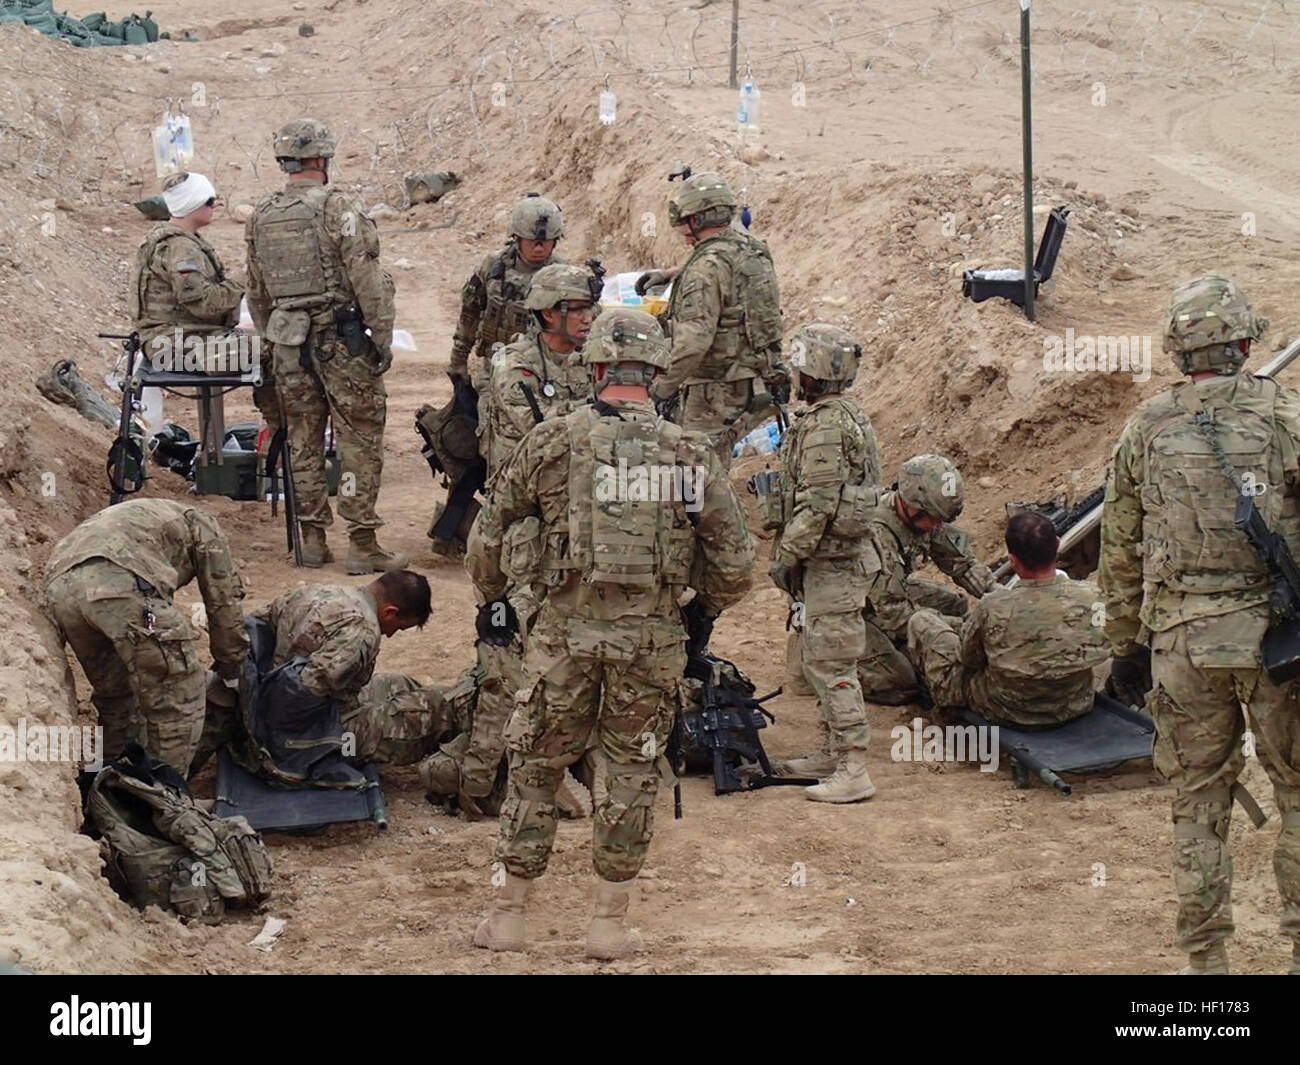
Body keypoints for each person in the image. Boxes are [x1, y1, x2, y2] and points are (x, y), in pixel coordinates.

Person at [466, 307, 754, 957]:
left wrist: (493, 600)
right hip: (650, 642)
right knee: (630, 771)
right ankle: (607, 925)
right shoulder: (689, 452)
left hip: (561, 638)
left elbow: (488, 532)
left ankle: (509, 917)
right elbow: (735, 563)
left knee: (537, 765)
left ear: (594, 367)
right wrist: (699, 611)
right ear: (655, 373)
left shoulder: (551, 440)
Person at [1099, 274, 1300, 976]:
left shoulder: (1147, 426)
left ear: (1180, 351)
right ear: (1243, 344)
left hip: (1182, 643)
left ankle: (1206, 964)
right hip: (1278, 641)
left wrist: (1125, 644)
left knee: (1198, 801)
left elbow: (1119, 545)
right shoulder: (1285, 414)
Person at [419, 265, 596, 811]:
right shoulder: (514, 368)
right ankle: (489, 776)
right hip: (522, 532)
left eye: (589, 307)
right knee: (511, 655)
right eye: (577, 309)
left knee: (573, 648)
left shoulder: (592, 360)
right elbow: (545, 448)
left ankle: (561, 756)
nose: (588, 318)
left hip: (577, 525)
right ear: (548, 314)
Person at [245, 117, 402, 573]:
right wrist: (381, 336)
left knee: (302, 439)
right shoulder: (339, 208)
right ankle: (361, 542)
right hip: (341, 341)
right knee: (358, 438)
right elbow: (366, 277)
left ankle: (311, 539)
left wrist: (274, 336)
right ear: (321, 158)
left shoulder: (261, 216)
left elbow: (256, 291)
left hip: (288, 344)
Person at [763, 324, 880, 801]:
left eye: (799, 367)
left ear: (813, 372)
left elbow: (818, 505)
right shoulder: (838, 417)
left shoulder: (827, 426)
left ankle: (854, 767)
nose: (794, 375)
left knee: (833, 664)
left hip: (835, 565)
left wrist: (785, 556)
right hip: (831, 563)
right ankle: (833, 751)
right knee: (819, 658)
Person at [44, 499, 247, 774]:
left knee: (117, 697)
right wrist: (233, 667)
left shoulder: (144, 516)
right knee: (177, 696)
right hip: (118, 582)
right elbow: (222, 599)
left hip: (60, 591)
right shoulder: (204, 524)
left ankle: (105, 780)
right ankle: (162, 792)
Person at [193, 571, 432, 776]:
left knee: (397, 683)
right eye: (398, 628)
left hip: (263, 709)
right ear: (390, 612)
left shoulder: (317, 593)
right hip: (295, 743)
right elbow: (300, 695)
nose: (390, 634)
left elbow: (252, 632)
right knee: (421, 715)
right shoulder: (363, 631)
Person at [906, 511, 1109, 725]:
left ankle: (939, 712)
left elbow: (968, 658)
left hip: (1006, 708)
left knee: (922, 621)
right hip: (1074, 704)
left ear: (1012, 560)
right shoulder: (1094, 597)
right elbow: (1105, 642)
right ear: (1057, 544)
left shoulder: (993, 606)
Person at [649, 171, 787, 467]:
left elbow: (692, 344)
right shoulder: (752, 248)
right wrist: (671, 274)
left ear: (698, 220)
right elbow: (729, 270)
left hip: (717, 389)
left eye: (685, 221)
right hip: (759, 379)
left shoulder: (705, 269)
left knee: (697, 473)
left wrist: (659, 390)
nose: (681, 230)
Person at [129, 171, 281, 434]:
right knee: (278, 348)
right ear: (192, 205)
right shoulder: (181, 248)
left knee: (268, 340)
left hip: (181, 342)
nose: (215, 206)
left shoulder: (178, 241)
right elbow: (206, 305)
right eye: (209, 201)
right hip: (175, 349)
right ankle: (278, 431)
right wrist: (246, 278)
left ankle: (275, 433)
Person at [854, 455, 995, 705]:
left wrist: (1002, 596)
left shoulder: (925, 518)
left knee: (956, 605)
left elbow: (961, 564)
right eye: (933, 518)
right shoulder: (877, 534)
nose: (937, 525)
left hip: (885, 594)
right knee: (902, 682)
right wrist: (957, 631)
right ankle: (816, 654)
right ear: (911, 503)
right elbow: (894, 614)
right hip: (852, 608)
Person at [449, 193, 566, 390]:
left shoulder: (563, 275)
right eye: (532, 242)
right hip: (495, 367)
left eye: (545, 242)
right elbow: (469, 315)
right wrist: (458, 360)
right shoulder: (493, 267)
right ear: (516, 238)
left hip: (543, 372)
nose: (539, 249)